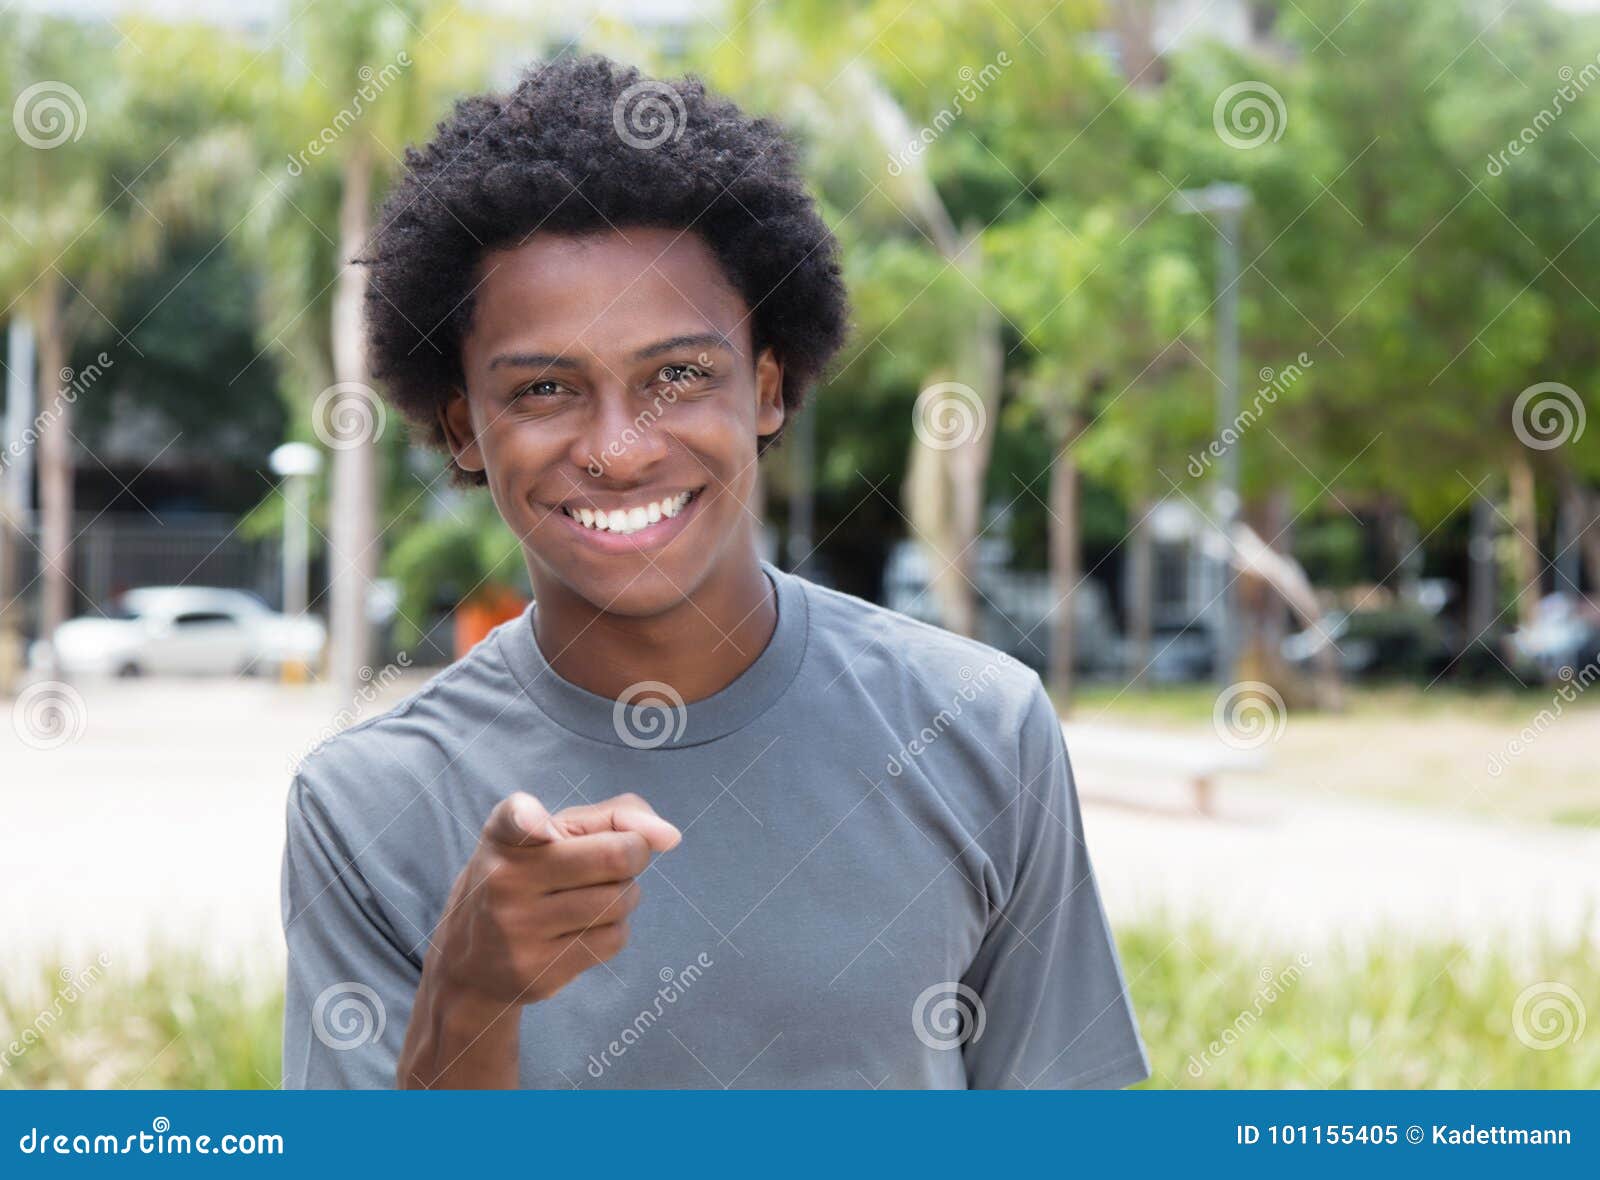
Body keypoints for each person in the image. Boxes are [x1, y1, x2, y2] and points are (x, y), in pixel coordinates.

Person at [281, 53, 1148, 1090]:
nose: (619, 446)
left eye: (677, 375)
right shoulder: (364, 802)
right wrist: (468, 995)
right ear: (465, 427)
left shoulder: (979, 724)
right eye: (547, 387)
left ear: (768, 388)